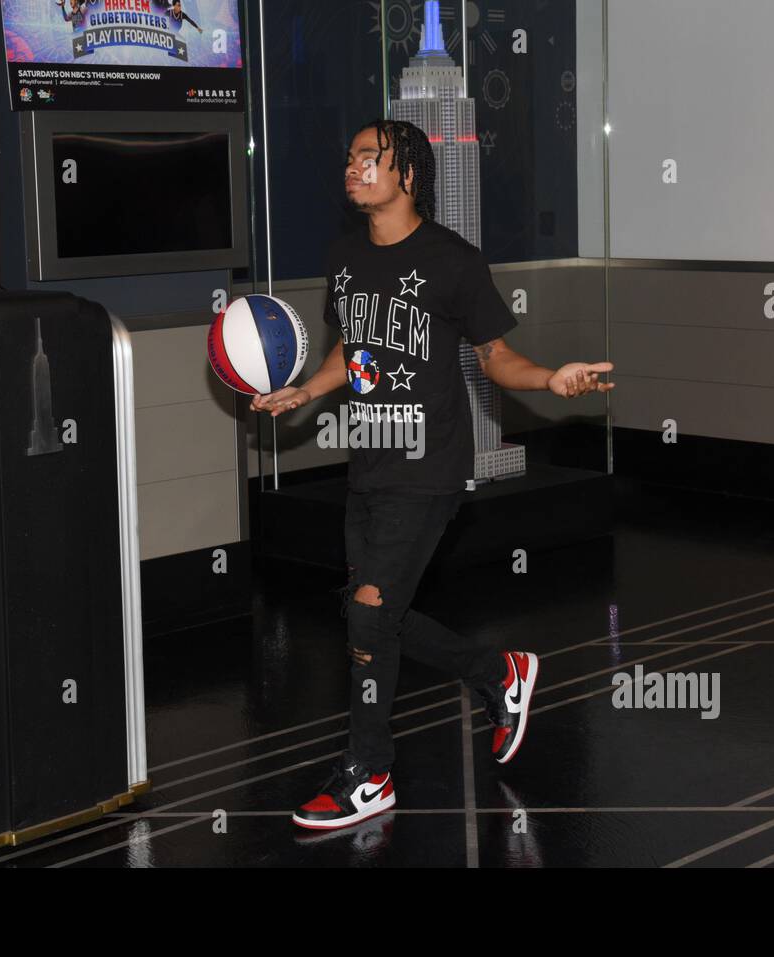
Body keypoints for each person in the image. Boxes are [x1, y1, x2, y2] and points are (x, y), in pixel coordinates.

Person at [252, 119, 616, 830]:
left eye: (368, 157)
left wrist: (551, 377)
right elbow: (351, 351)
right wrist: (305, 389)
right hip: (371, 463)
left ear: (408, 173)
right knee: (373, 615)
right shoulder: (347, 257)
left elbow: (496, 360)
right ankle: (497, 673)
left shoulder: (453, 261)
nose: (353, 167)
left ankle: (371, 772)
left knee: (365, 612)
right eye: (349, 156)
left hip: (430, 466)